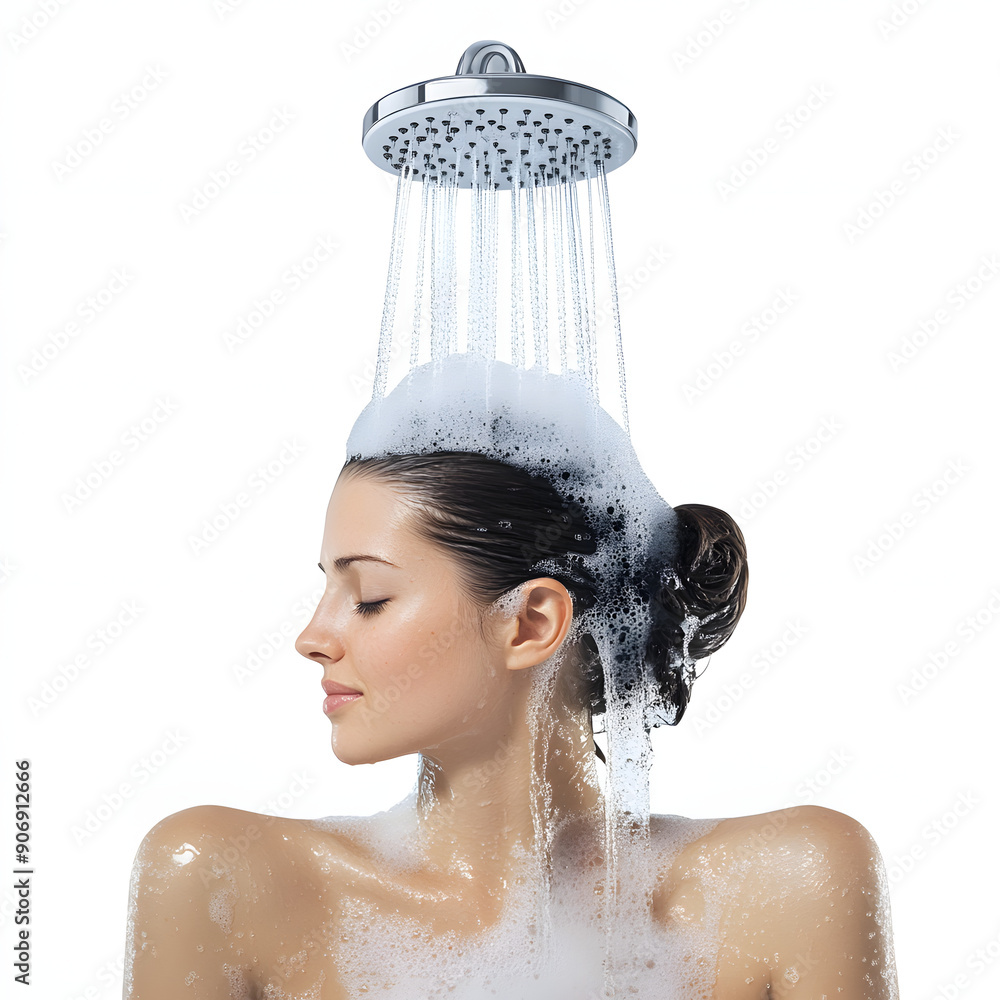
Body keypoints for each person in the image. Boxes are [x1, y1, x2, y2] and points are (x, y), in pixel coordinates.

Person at [123, 360, 899, 999]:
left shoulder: (789, 888)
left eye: (369, 598)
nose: (312, 637)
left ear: (530, 624)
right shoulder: (223, 881)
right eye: (327, 590)